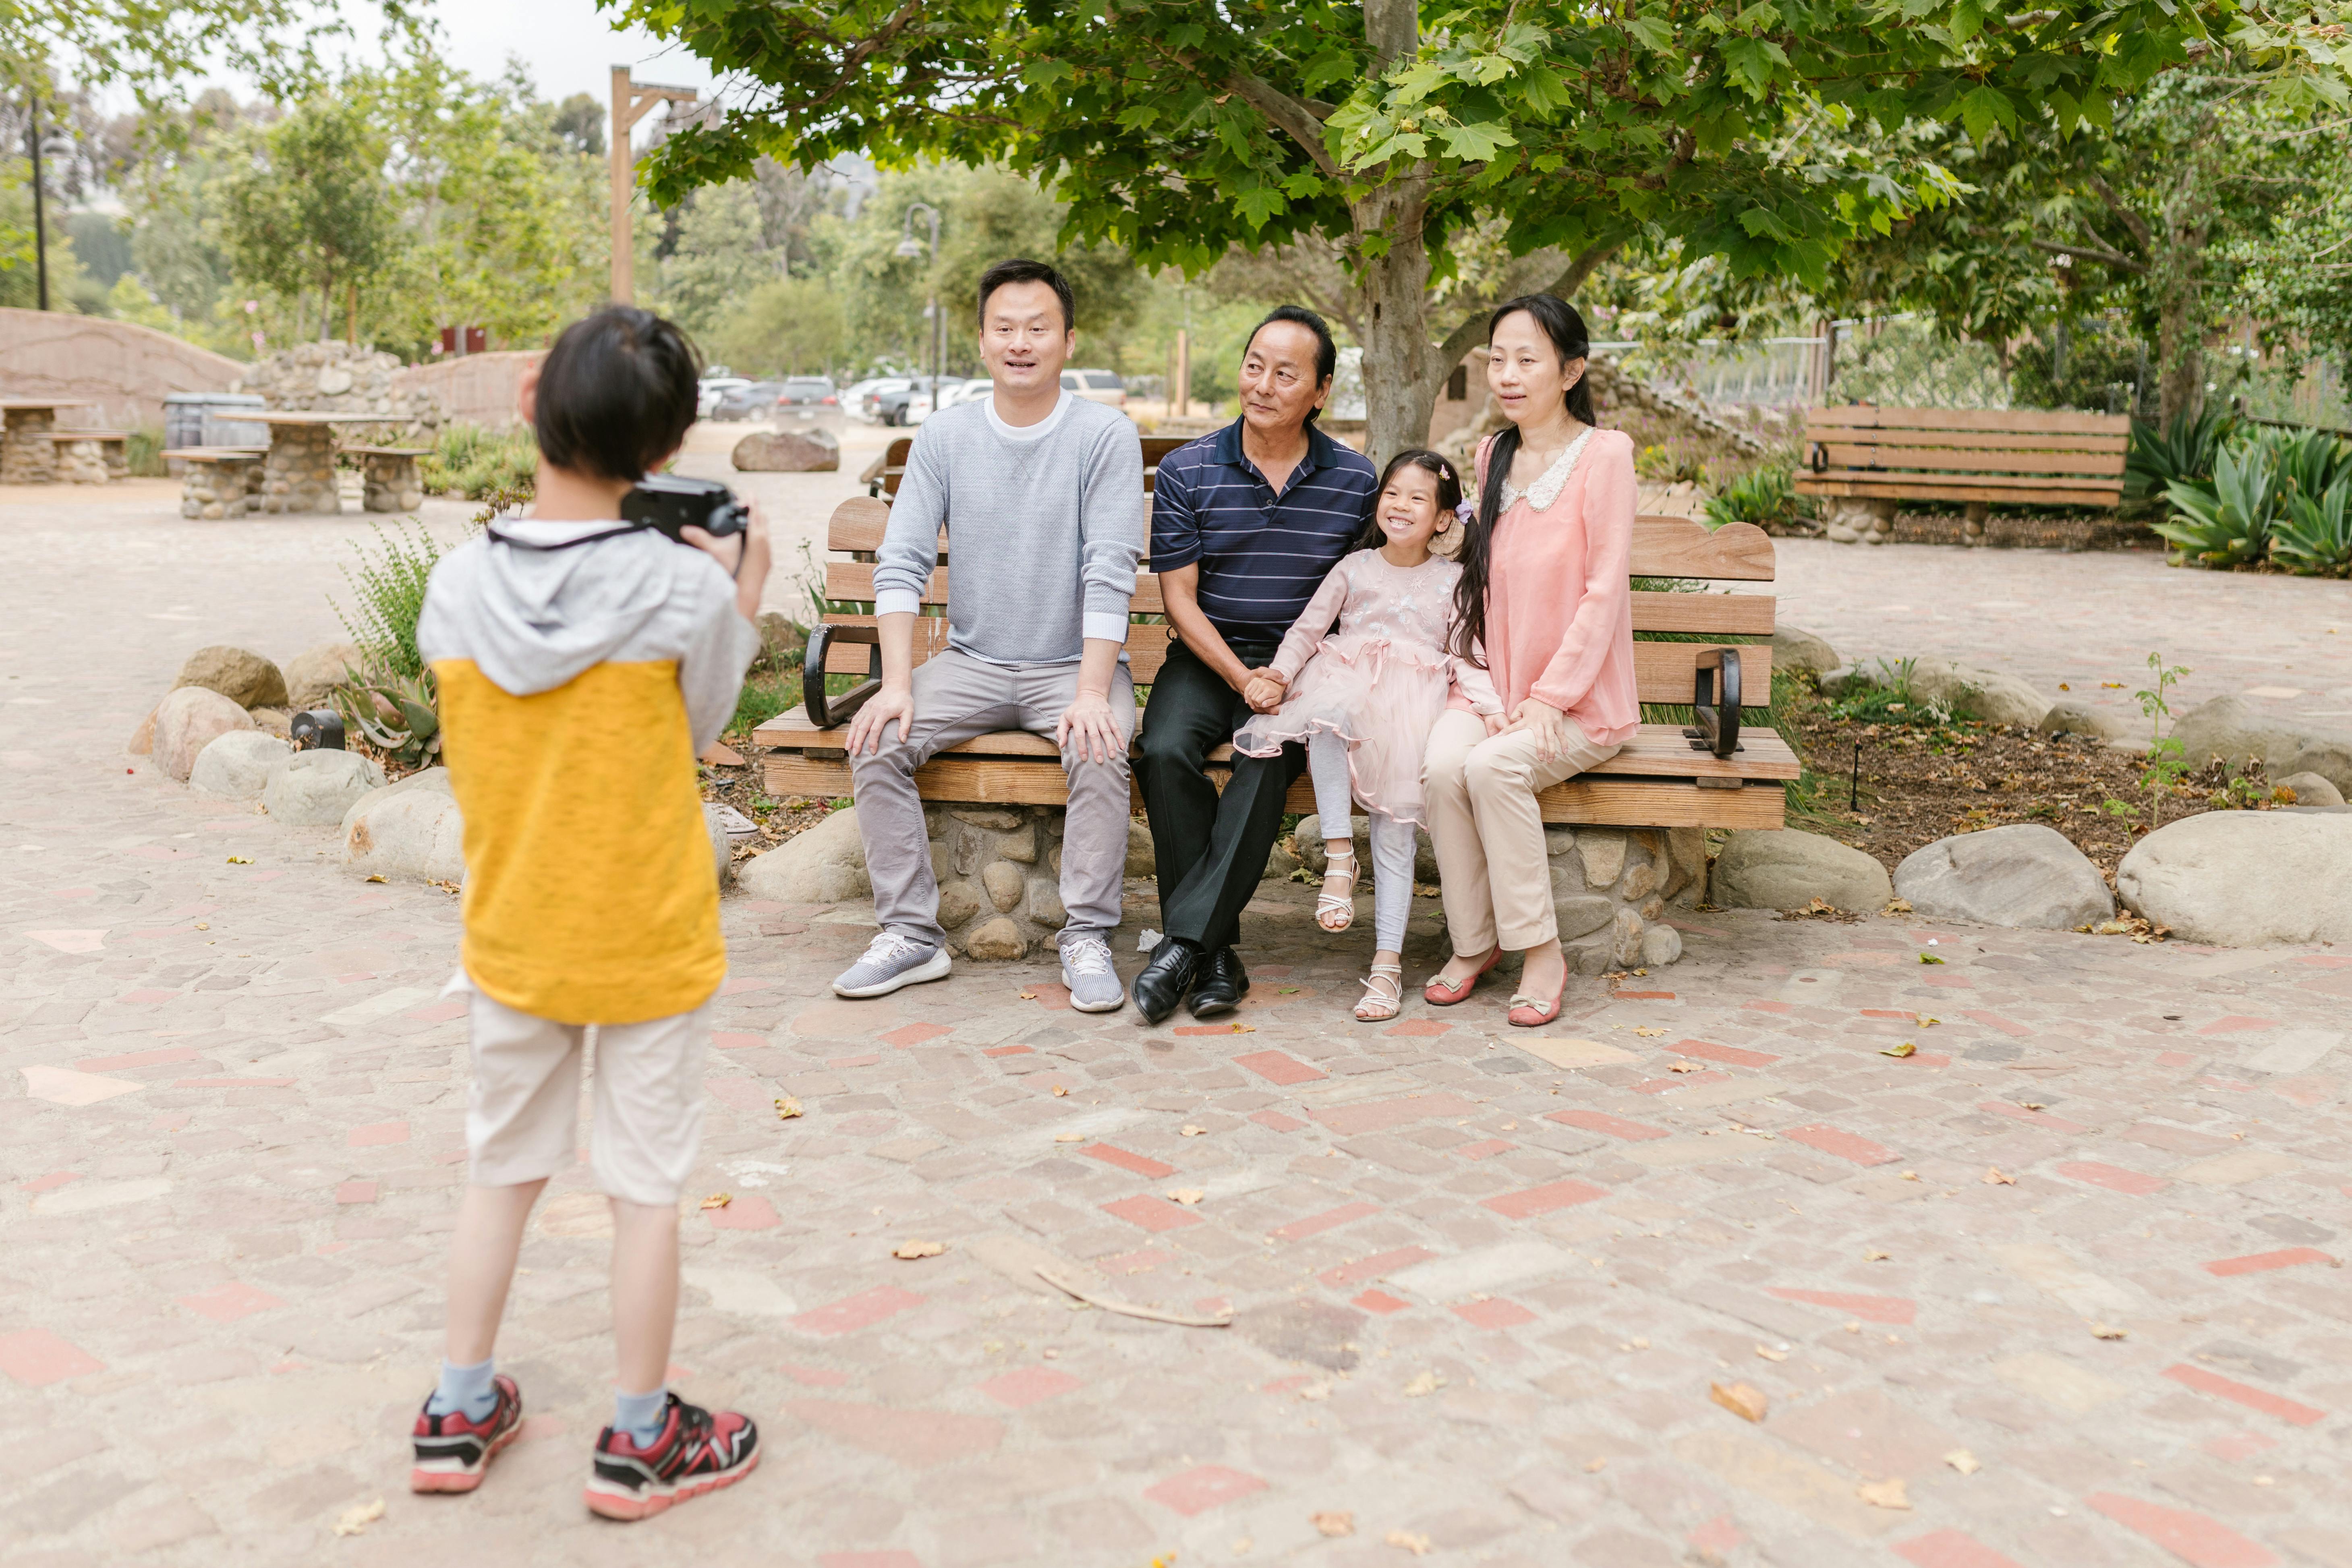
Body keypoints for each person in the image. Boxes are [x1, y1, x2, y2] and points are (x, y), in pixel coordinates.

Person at [409, 306, 769, 1519]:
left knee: (501, 1169)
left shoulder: (455, 585)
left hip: (514, 931)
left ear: (530, 402)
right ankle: (641, 1436)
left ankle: (458, 1409)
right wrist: (740, 591)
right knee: (643, 1188)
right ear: (664, 453)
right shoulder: (683, 589)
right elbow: (697, 733)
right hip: (648, 934)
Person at [833, 259, 1145, 1011]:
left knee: (1102, 746)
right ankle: (911, 934)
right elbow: (902, 562)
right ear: (981, 341)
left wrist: (1092, 692)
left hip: (1072, 665)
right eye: (1004, 328)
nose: (1020, 343)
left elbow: (1111, 568)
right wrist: (898, 685)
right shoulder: (945, 435)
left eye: (1038, 328)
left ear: (1068, 341)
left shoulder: (1104, 435)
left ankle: (1086, 935)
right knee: (877, 737)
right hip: (972, 662)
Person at [1130, 306, 1380, 1023]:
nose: (1263, 385)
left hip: (1305, 667)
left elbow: (1356, 597)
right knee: (1164, 748)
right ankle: (1213, 954)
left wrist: (1287, 674)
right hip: (1207, 657)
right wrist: (1243, 679)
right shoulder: (1187, 469)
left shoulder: (1355, 480)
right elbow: (1179, 599)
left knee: (1267, 758)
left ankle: (1185, 946)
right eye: (1254, 366)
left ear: (1321, 391)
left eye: (1285, 374)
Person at [1421, 294, 1639, 1028]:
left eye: (1527, 360)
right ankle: (1474, 942)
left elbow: (1604, 591)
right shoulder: (1493, 453)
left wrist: (1550, 696)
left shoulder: (1606, 456)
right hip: (1494, 687)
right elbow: (1492, 568)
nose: (1507, 375)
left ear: (1571, 370)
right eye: (1497, 360)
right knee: (1442, 766)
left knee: (1492, 768)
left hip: (1576, 701)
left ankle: (1542, 951)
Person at [1232, 449, 1500, 1020]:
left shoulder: (1453, 581)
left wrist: (1493, 710)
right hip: (1347, 691)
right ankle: (1338, 855)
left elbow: (1467, 655)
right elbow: (1307, 631)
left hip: (1408, 713)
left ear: (1444, 518)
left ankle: (1387, 964)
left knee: (1395, 832)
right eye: (1392, 493)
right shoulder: (1354, 568)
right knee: (1329, 711)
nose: (1400, 505)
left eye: (1418, 498)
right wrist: (1279, 675)